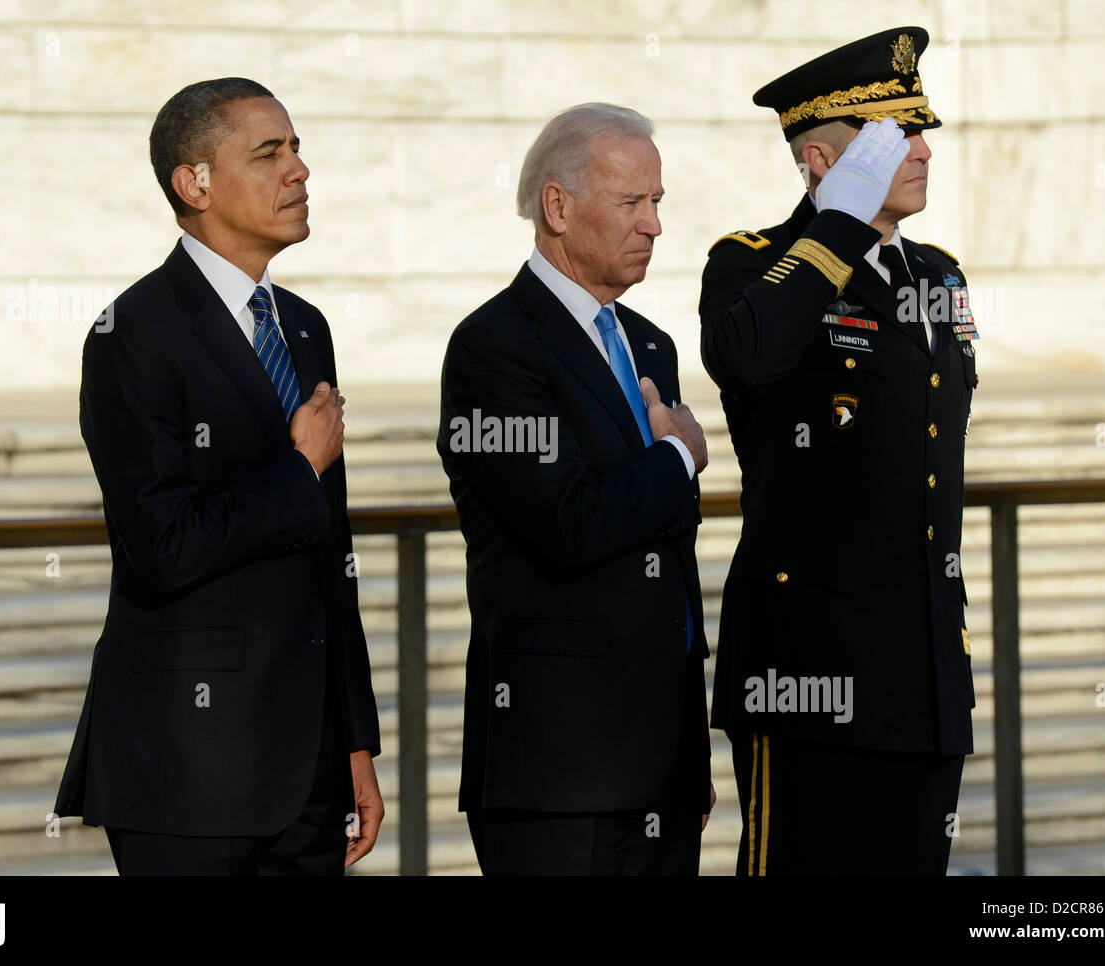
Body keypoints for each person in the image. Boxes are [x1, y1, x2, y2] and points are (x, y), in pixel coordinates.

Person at [53, 77, 382, 875]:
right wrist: (300, 467)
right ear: (193, 183)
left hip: (307, 773)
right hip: (185, 772)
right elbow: (165, 543)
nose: (298, 171)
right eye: (269, 153)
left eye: (297, 149)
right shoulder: (132, 333)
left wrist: (356, 740)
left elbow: (329, 560)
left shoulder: (305, 327)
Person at [700, 27, 979, 875]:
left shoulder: (940, 274)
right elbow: (745, 356)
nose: (923, 151)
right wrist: (840, 228)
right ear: (823, 159)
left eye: (921, 131)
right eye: (894, 139)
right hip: (811, 672)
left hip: (924, 668)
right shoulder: (753, 266)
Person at [437, 103, 715, 875]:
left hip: (660, 766)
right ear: (557, 207)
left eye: (658, 202)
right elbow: (569, 524)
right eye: (632, 203)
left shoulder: (649, 342)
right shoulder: (493, 347)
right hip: (558, 777)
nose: (654, 225)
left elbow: (667, 556)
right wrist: (675, 456)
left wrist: (687, 751)